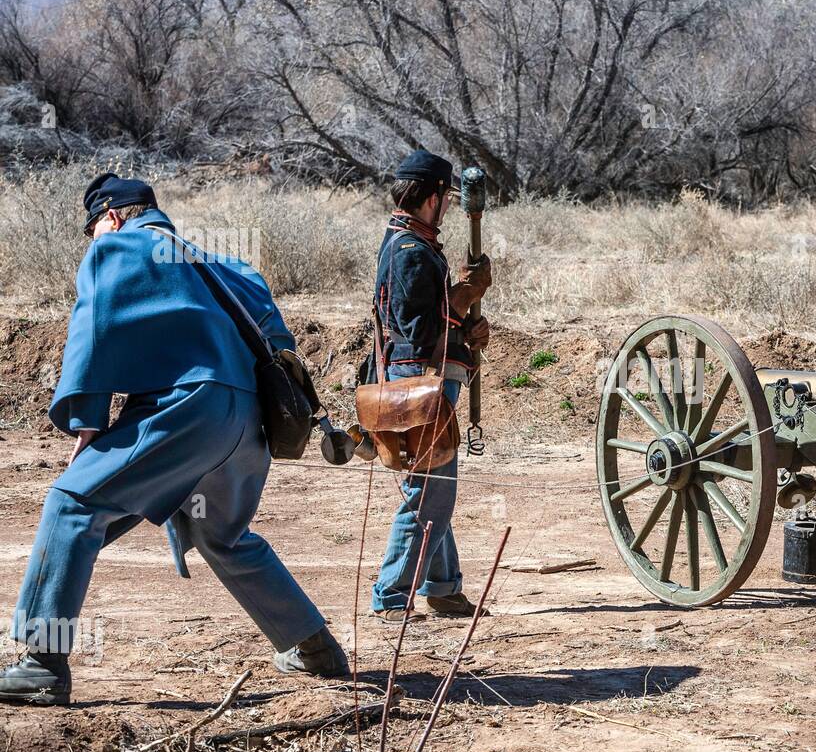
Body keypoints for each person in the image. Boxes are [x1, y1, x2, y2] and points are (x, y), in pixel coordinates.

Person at [0, 173, 347, 706]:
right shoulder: (226, 263)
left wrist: (87, 419)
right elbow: (280, 341)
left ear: (113, 216)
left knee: (72, 504)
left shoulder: (117, 244)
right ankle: (313, 646)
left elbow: (92, 328)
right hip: (249, 418)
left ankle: (42, 662)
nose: (94, 239)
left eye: (93, 228)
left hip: (189, 407)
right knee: (220, 535)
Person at [370, 150, 491, 622]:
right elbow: (419, 336)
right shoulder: (410, 252)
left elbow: (433, 321)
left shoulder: (411, 245)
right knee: (431, 493)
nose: (447, 207)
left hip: (422, 379)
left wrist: (467, 328)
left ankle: (443, 588)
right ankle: (391, 594)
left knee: (433, 484)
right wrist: (467, 295)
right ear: (433, 197)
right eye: (445, 197)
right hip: (420, 384)